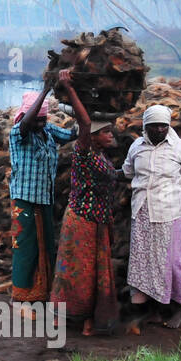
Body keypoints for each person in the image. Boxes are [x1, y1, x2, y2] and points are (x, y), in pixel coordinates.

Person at [121, 104, 181, 328]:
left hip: (169, 212)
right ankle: (152, 310)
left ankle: (179, 306)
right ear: (146, 127)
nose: (160, 130)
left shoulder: (180, 149)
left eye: (164, 126)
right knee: (145, 263)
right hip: (142, 212)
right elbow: (126, 172)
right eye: (154, 127)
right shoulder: (137, 146)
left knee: (171, 262)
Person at [49, 70, 119, 335]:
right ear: (93, 137)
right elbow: (85, 123)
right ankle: (61, 317)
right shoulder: (83, 152)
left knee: (93, 274)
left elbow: (112, 176)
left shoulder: (102, 157)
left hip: (98, 223)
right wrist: (69, 87)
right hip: (80, 221)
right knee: (73, 271)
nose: (111, 136)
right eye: (107, 133)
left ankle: (88, 319)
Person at [8, 82, 76, 302]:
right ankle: (20, 296)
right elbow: (28, 123)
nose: (39, 122)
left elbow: (71, 135)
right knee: (25, 247)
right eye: (36, 118)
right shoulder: (19, 132)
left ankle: (40, 291)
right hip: (24, 200)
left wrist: (79, 103)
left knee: (44, 246)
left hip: (44, 198)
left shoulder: (46, 130)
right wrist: (45, 91)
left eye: (42, 118)